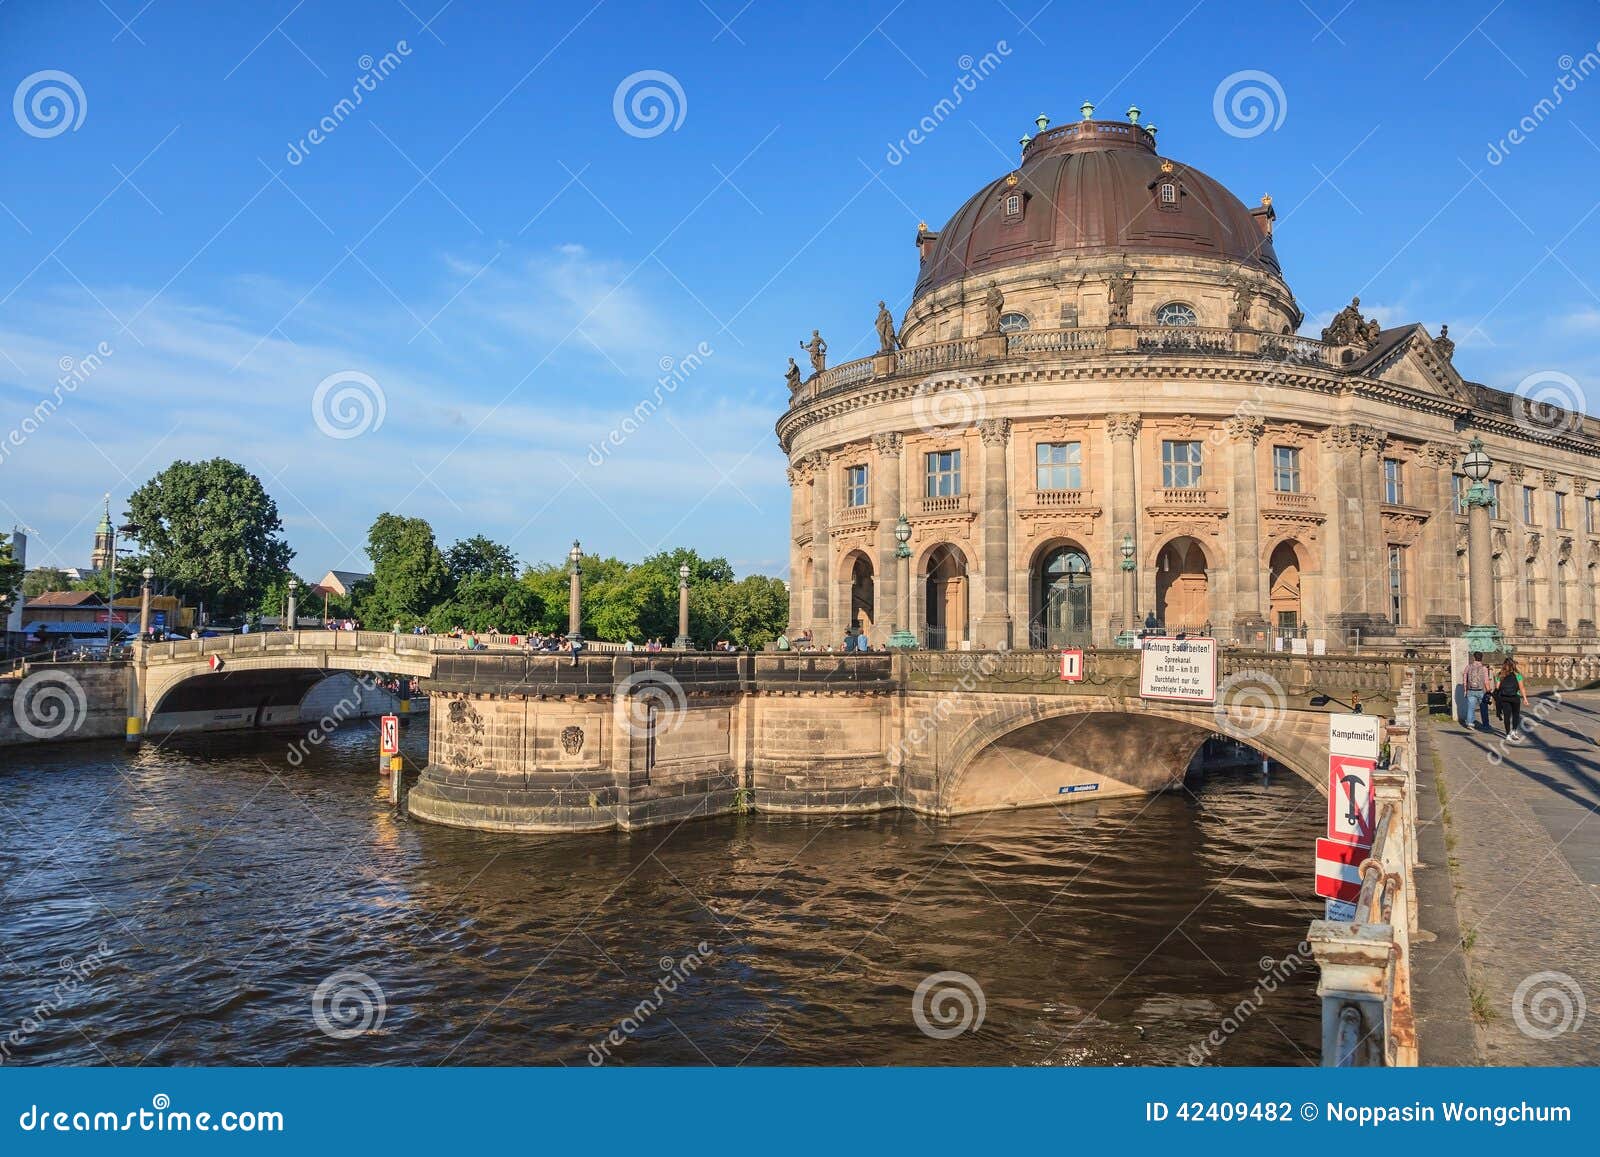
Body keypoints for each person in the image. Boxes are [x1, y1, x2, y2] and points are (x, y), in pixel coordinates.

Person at [1493, 657, 1526, 738]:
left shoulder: (1500, 675)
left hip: (1504, 697)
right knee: (1515, 715)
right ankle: (1514, 731)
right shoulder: (1517, 675)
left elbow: (1497, 688)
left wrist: (1496, 699)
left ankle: (1507, 734)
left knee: (1507, 716)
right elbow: (1522, 687)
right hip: (1515, 697)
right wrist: (1525, 698)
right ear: (1513, 665)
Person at [1462, 650, 1491, 731]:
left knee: (1470, 708)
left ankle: (1470, 724)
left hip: (1470, 690)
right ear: (1481, 658)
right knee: (1484, 708)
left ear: (1474, 657)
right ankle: (1485, 725)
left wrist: (1465, 690)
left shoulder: (1468, 667)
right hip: (1480, 690)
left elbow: (1465, 680)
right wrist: (1488, 691)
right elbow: (1486, 681)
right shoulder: (1484, 668)